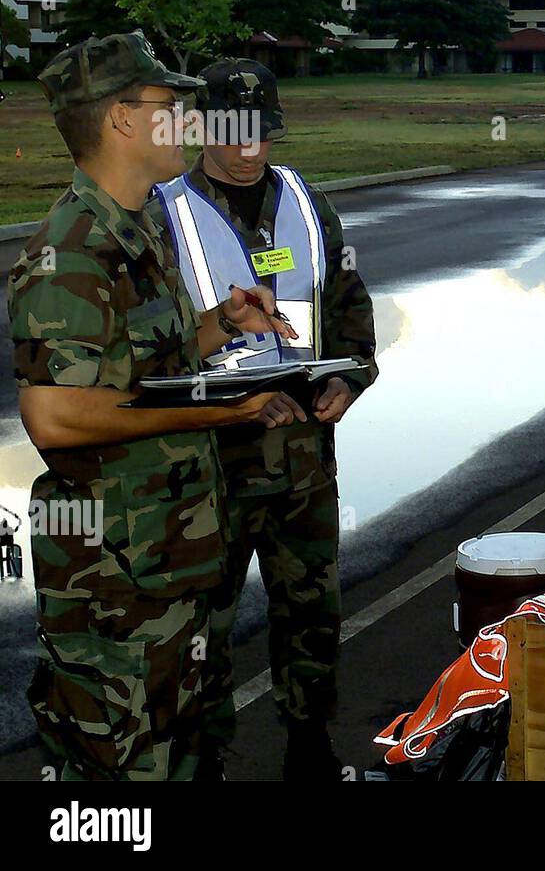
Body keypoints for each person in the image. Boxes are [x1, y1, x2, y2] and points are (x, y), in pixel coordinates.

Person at [8, 32, 293, 780]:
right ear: (122, 121)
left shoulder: (138, 231)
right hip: (115, 583)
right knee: (120, 777)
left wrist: (222, 325)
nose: (194, 125)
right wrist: (222, 415)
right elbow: (58, 418)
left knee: (189, 754)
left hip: (171, 561)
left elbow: (145, 369)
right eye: (173, 108)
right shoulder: (69, 253)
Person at [149, 58, 378, 780]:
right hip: (208, 470)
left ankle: (310, 747)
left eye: (263, 138)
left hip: (304, 461)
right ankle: (206, 759)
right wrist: (231, 401)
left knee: (311, 612)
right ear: (203, 130)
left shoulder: (311, 206)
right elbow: (146, 354)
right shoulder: (163, 215)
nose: (250, 154)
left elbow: (347, 308)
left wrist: (349, 375)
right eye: (234, 138)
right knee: (201, 627)